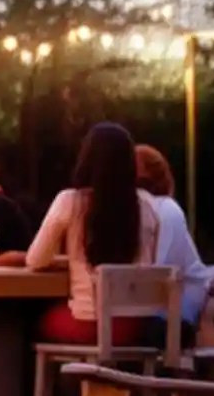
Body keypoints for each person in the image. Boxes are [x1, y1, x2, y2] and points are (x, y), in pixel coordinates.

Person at [26, 122, 161, 345]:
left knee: (34, 321)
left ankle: (70, 370)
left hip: (89, 323)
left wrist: (68, 260)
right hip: (136, 326)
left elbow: (35, 260)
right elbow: (149, 262)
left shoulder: (70, 201)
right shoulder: (146, 205)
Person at [135, 144, 214, 347]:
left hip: (172, 303)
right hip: (164, 299)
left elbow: (162, 269)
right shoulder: (160, 208)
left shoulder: (164, 209)